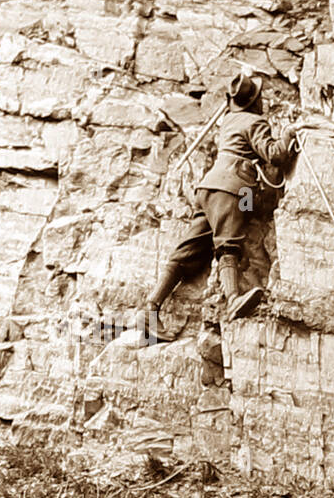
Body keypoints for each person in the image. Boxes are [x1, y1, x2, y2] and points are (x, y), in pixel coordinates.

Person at [126, 73, 299, 348]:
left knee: (187, 251)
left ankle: (150, 307)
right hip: (235, 188)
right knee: (230, 243)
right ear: (255, 101)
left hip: (207, 188)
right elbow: (274, 154)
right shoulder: (256, 121)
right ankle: (233, 299)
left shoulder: (228, 121)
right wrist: (289, 134)